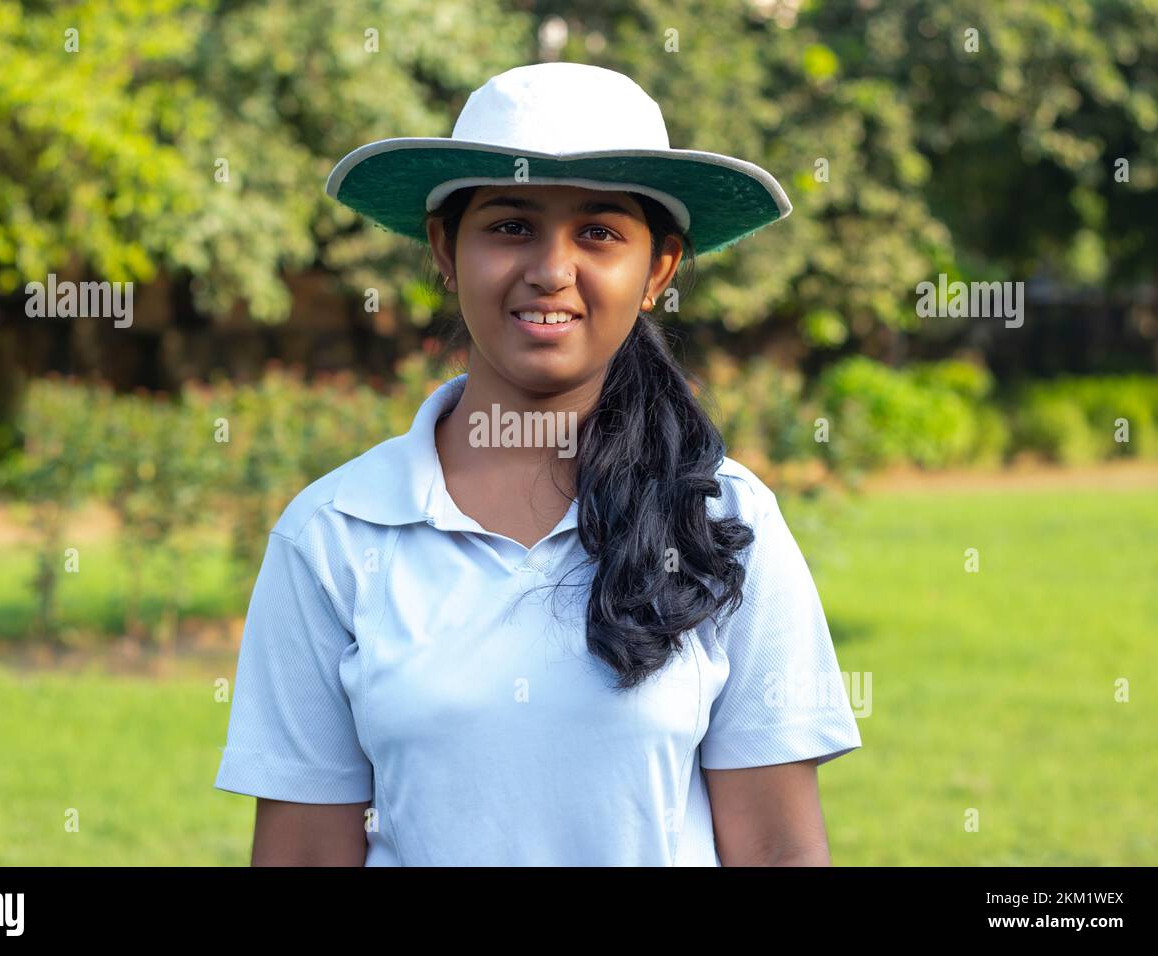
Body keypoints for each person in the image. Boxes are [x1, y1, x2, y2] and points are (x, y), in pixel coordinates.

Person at [214, 61, 862, 866]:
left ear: (658, 269)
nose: (552, 270)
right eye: (511, 226)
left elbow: (778, 851)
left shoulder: (723, 520)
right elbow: (304, 855)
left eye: (599, 232)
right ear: (446, 251)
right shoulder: (334, 535)